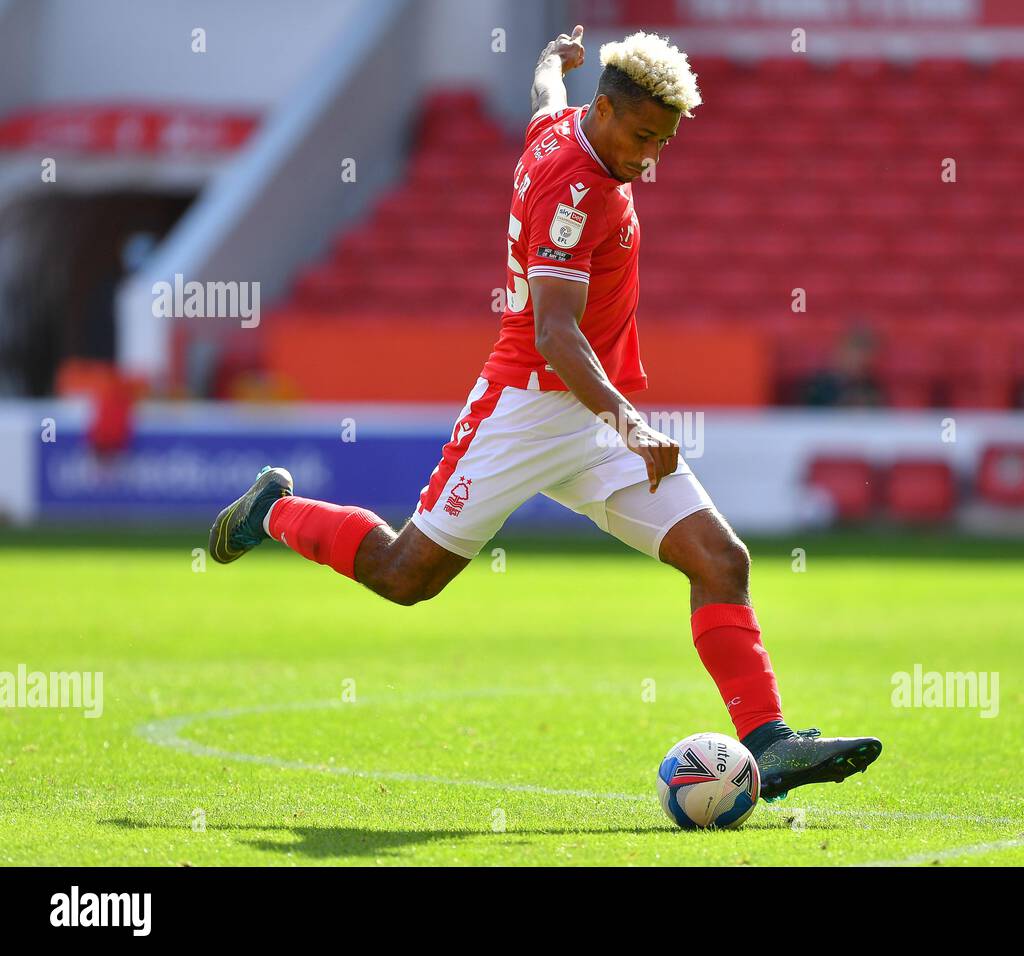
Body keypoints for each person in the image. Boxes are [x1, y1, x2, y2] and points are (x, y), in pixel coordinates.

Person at [208, 26, 880, 800]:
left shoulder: (566, 125)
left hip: (589, 416)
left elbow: (543, 99)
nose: (648, 157)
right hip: (528, 407)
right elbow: (556, 333)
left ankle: (770, 742)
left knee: (720, 560)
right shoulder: (576, 187)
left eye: (661, 142)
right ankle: (277, 510)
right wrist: (631, 423)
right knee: (405, 577)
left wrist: (545, 62)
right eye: (640, 136)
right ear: (606, 110)